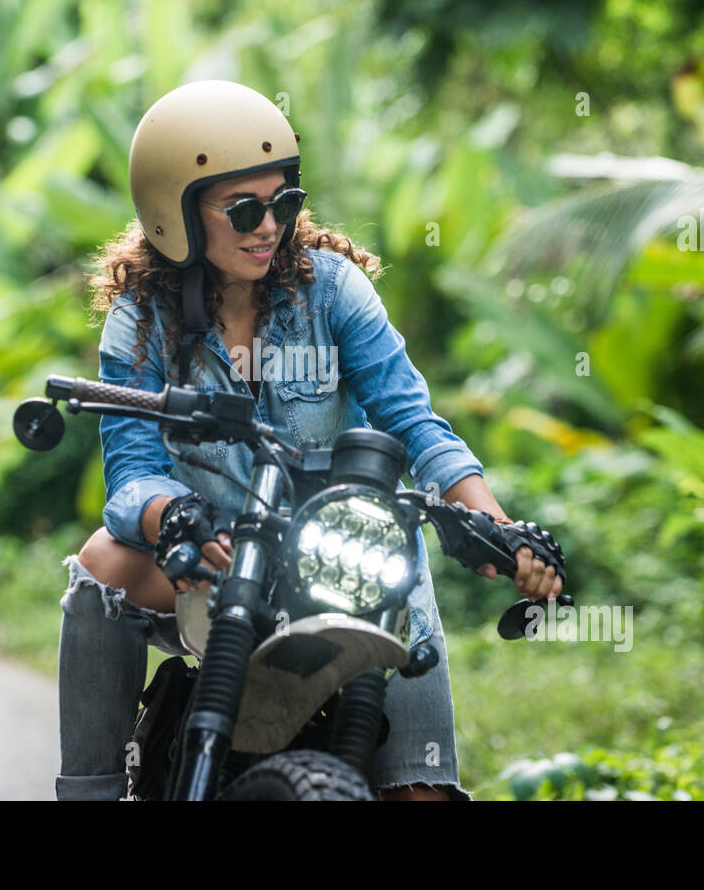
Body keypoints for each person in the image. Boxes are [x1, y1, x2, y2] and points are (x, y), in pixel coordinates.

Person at [55, 79, 562, 801]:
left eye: (283, 203)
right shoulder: (141, 321)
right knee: (101, 564)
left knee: (422, 794)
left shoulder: (332, 289)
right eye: (244, 209)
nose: (270, 225)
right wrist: (176, 518)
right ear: (176, 213)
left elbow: (414, 421)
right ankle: (90, 792)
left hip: (348, 559)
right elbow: (132, 475)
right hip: (219, 560)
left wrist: (499, 526)